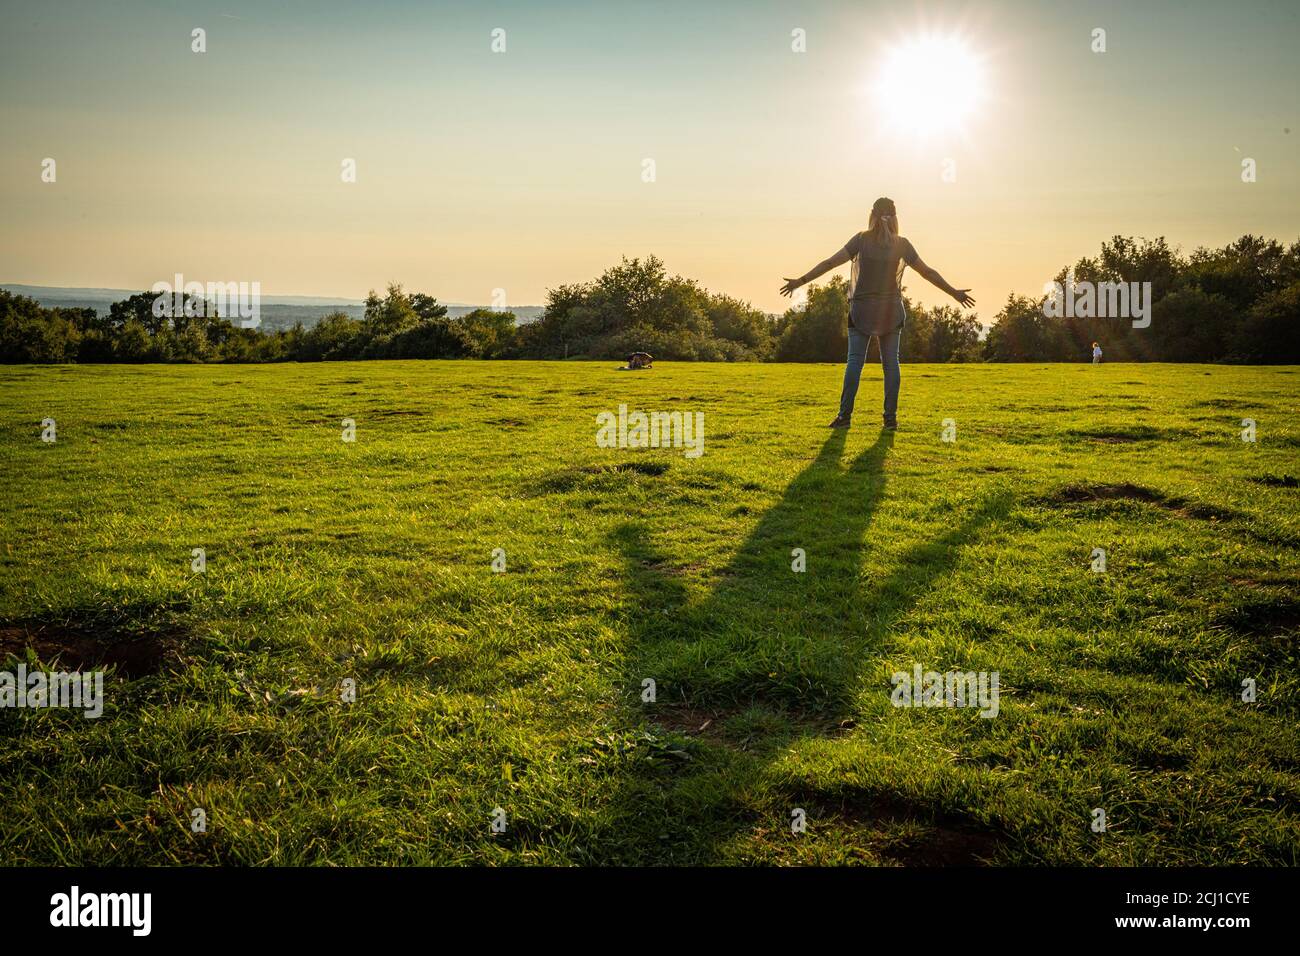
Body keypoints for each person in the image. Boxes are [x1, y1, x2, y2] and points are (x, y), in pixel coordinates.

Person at [779, 197, 974, 430]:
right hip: (891, 311)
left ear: (872, 215)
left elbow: (829, 263)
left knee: (854, 362)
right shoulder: (902, 244)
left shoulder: (861, 240)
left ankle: (844, 417)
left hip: (861, 310)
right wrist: (953, 292)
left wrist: (800, 281)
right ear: (895, 217)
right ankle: (890, 420)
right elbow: (928, 272)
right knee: (891, 364)